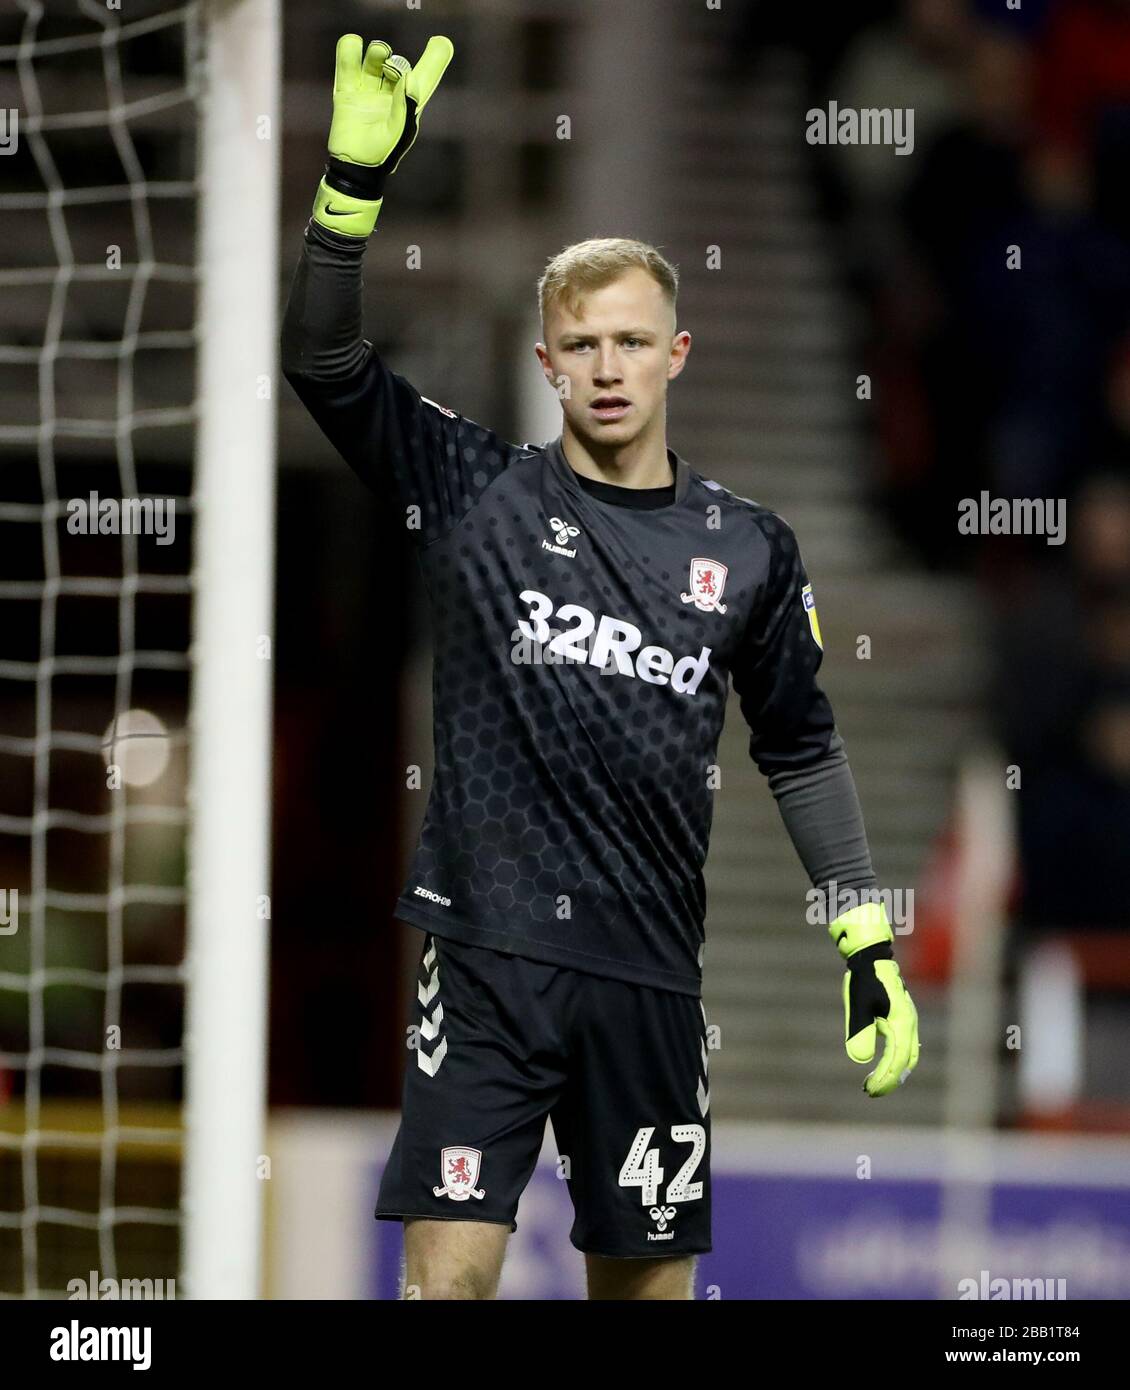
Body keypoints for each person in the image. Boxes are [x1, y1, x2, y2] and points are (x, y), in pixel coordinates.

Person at [280, 33, 919, 1301]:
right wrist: (348, 198)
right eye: (582, 345)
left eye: (632, 341)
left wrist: (864, 937)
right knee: (444, 1279)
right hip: (485, 959)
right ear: (546, 364)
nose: (608, 367)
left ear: (674, 355)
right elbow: (325, 366)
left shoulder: (746, 549)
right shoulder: (471, 490)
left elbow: (799, 741)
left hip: (647, 979)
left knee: (646, 1298)